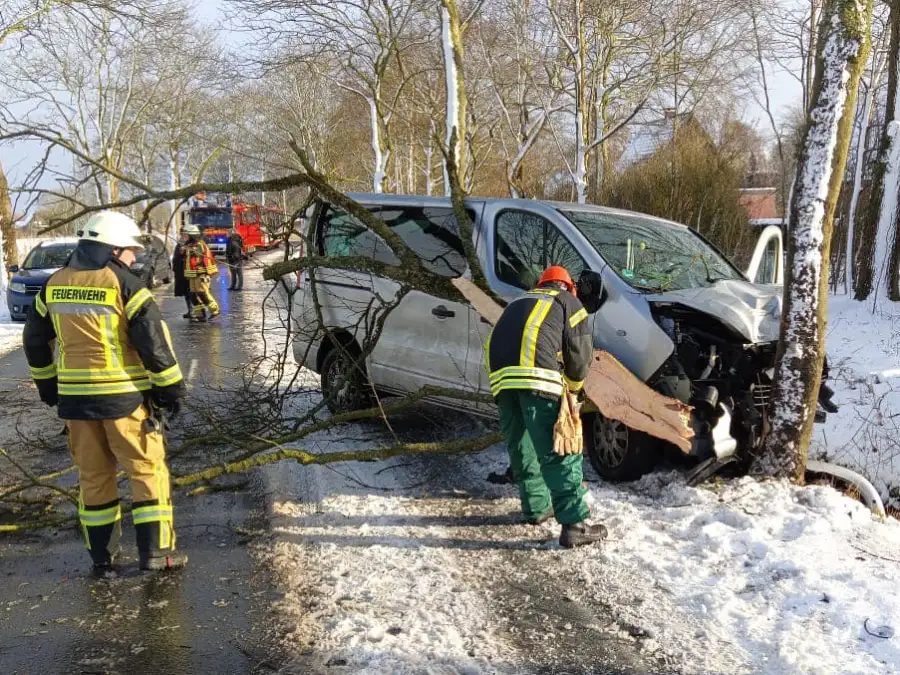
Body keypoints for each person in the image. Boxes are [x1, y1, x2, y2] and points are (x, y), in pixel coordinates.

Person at [23, 211, 188, 577]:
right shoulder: (125, 286)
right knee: (146, 471)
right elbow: (155, 348)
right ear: (113, 249)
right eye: (130, 250)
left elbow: (34, 339)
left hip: (75, 405)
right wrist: (170, 393)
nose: (134, 257)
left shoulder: (54, 284)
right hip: (124, 401)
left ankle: (102, 558)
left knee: (94, 478)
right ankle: (157, 554)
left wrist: (49, 388)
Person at [484, 265, 606, 549]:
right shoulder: (568, 303)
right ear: (569, 287)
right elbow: (579, 352)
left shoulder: (518, 302)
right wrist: (573, 392)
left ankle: (536, 509)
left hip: (501, 380)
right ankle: (575, 525)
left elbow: (494, 341)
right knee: (560, 449)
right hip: (537, 379)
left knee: (522, 447)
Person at [182, 223, 220, 322]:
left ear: (192, 235)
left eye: (187, 235)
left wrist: (190, 250)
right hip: (192, 275)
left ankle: (214, 310)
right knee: (193, 295)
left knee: (202, 293)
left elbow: (199, 256)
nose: (185, 237)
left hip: (201, 273)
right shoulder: (189, 245)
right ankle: (200, 314)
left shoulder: (200, 245)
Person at [172, 229, 191, 318]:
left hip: (188, 272)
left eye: (184, 233)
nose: (182, 235)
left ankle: (195, 311)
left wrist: (185, 251)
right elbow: (177, 257)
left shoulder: (192, 244)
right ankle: (190, 310)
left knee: (191, 292)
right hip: (180, 272)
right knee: (186, 292)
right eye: (181, 233)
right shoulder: (180, 243)